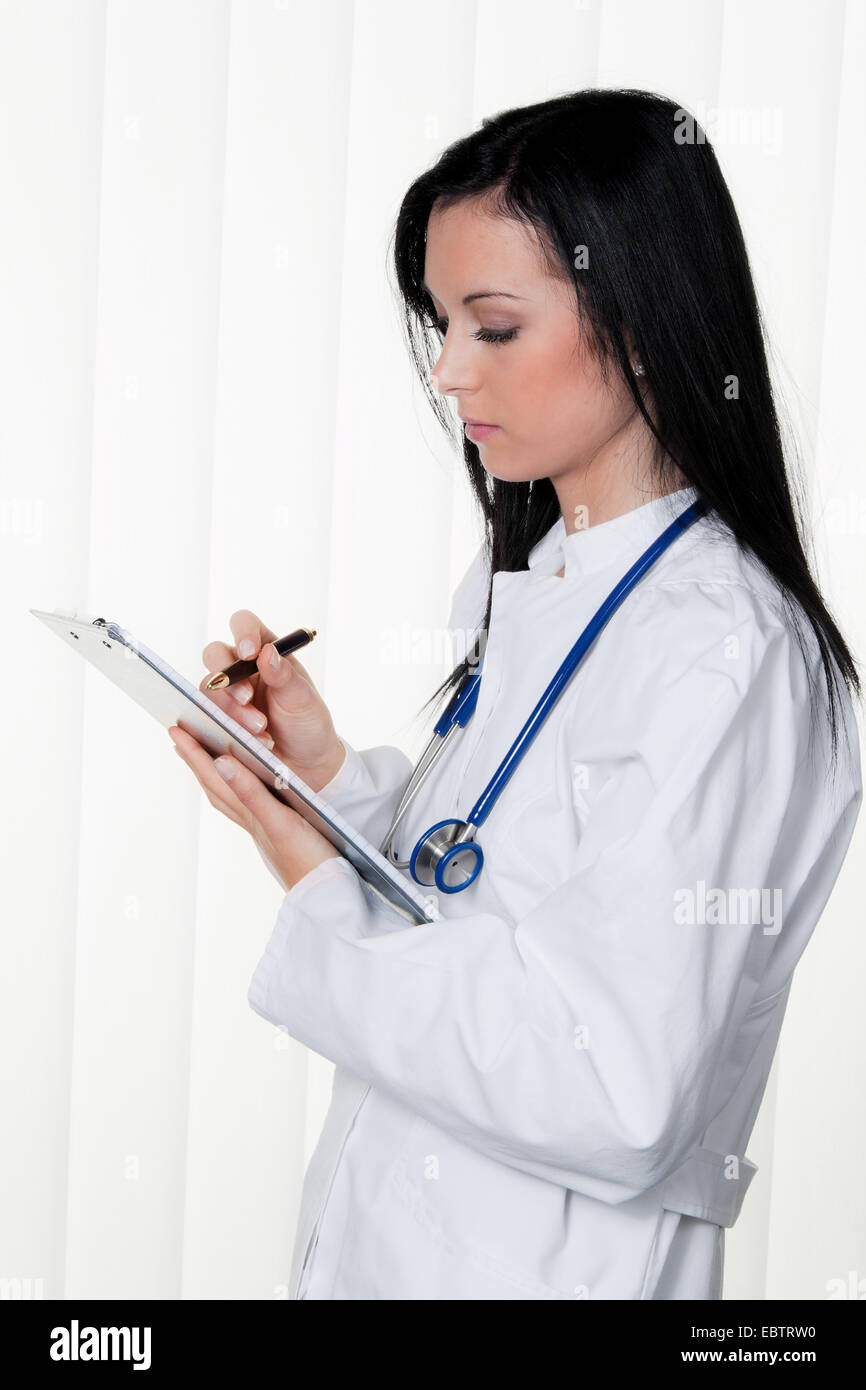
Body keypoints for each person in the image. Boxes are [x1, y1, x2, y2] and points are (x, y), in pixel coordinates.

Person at [169, 89, 862, 1299]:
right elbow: (486, 881)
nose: (444, 371)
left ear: (641, 323)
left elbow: (615, 1085)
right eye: (441, 323)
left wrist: (313, 879)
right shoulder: (538, 577)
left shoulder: (726, 652)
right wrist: (327, 780)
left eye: (491, 326)